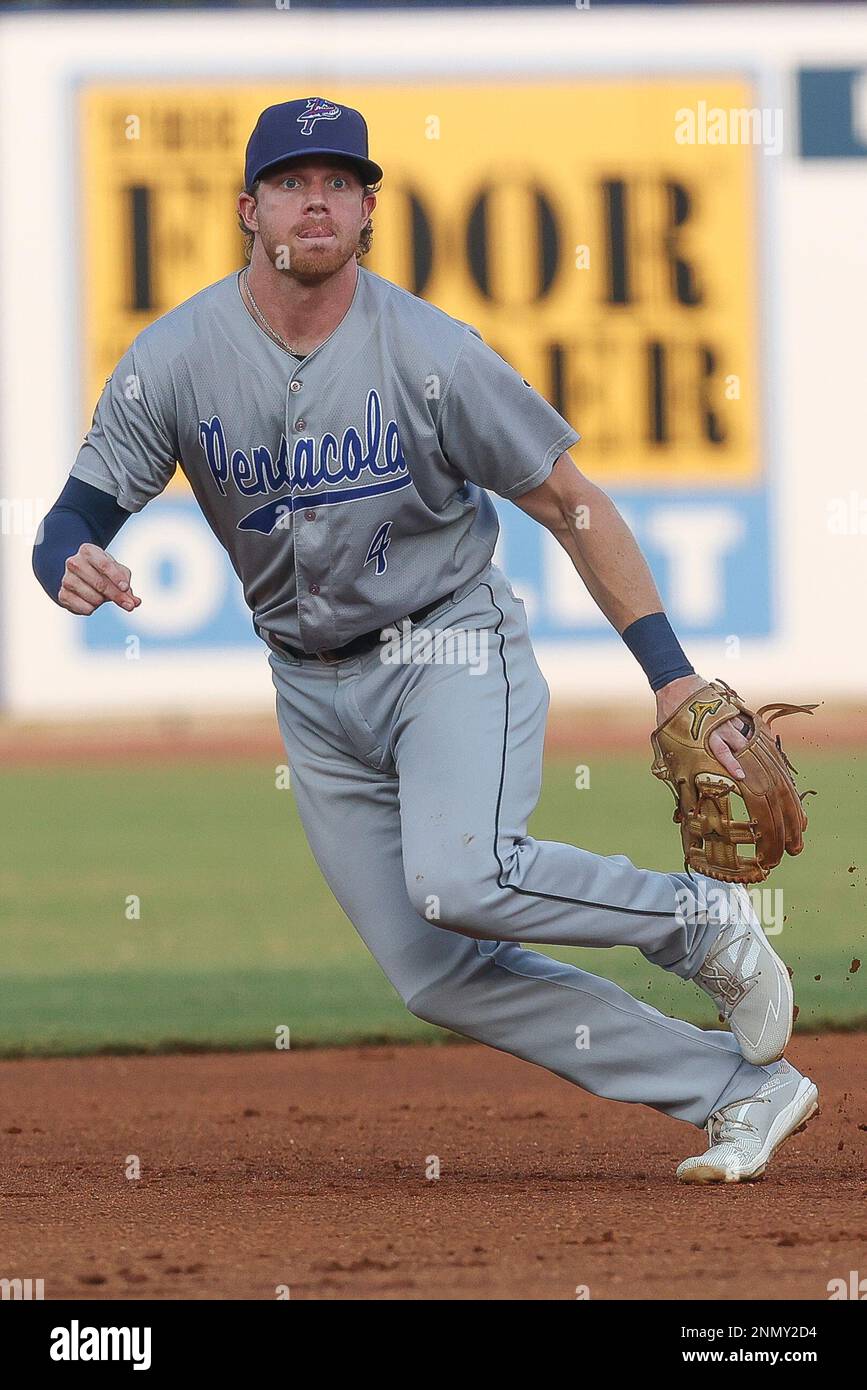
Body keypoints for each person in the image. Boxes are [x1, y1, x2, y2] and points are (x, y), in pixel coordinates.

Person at [33, 96, 818, 1184]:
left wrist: (671, 672)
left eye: (343, 182)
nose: (319, 200)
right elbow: (72, 515)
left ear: (367, 211)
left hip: (448, 648)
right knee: (437, 971)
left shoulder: (428, 350)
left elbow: (569, 500)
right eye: (295, 181)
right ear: (247, 207)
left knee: (460, 876)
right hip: (310, 690)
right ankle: (744, 1089)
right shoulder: (174, 359)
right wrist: (64, 558)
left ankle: (696, 918)